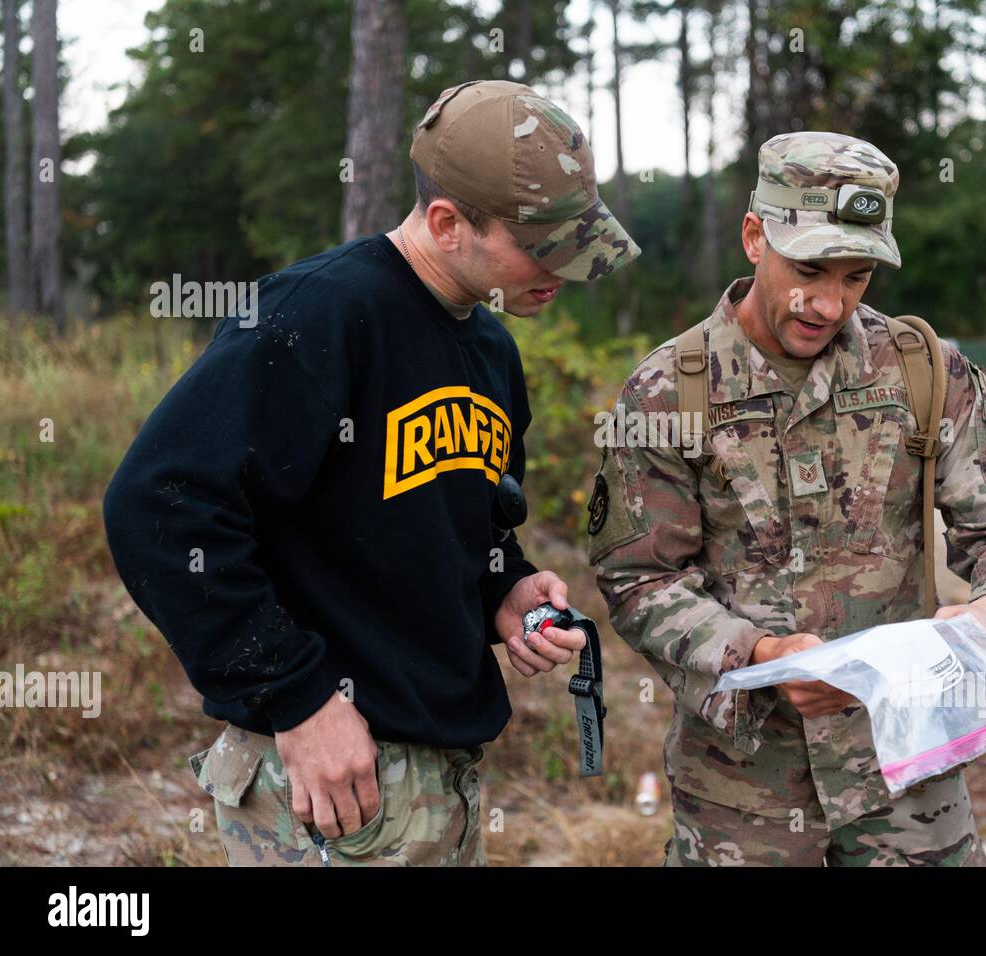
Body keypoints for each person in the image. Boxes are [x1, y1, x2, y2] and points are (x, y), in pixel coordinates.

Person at [103, 80, 639, 867]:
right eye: (544, 247)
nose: (568, 270)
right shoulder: (316, 315)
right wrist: (298, 699)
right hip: (329, 786)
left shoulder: (489, 348)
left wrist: (506, 589)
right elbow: (160, 506)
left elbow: (457, 525)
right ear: (449, 222)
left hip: (443, 781)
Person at [586, 130, 986, 866]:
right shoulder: (667, 393)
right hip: (741, 799)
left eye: (857, 277)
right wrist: (762, 655)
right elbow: (638, 579)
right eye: (809, 269)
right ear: (755, 236)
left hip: (910, 788)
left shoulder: (923, 373)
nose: (829, 302)